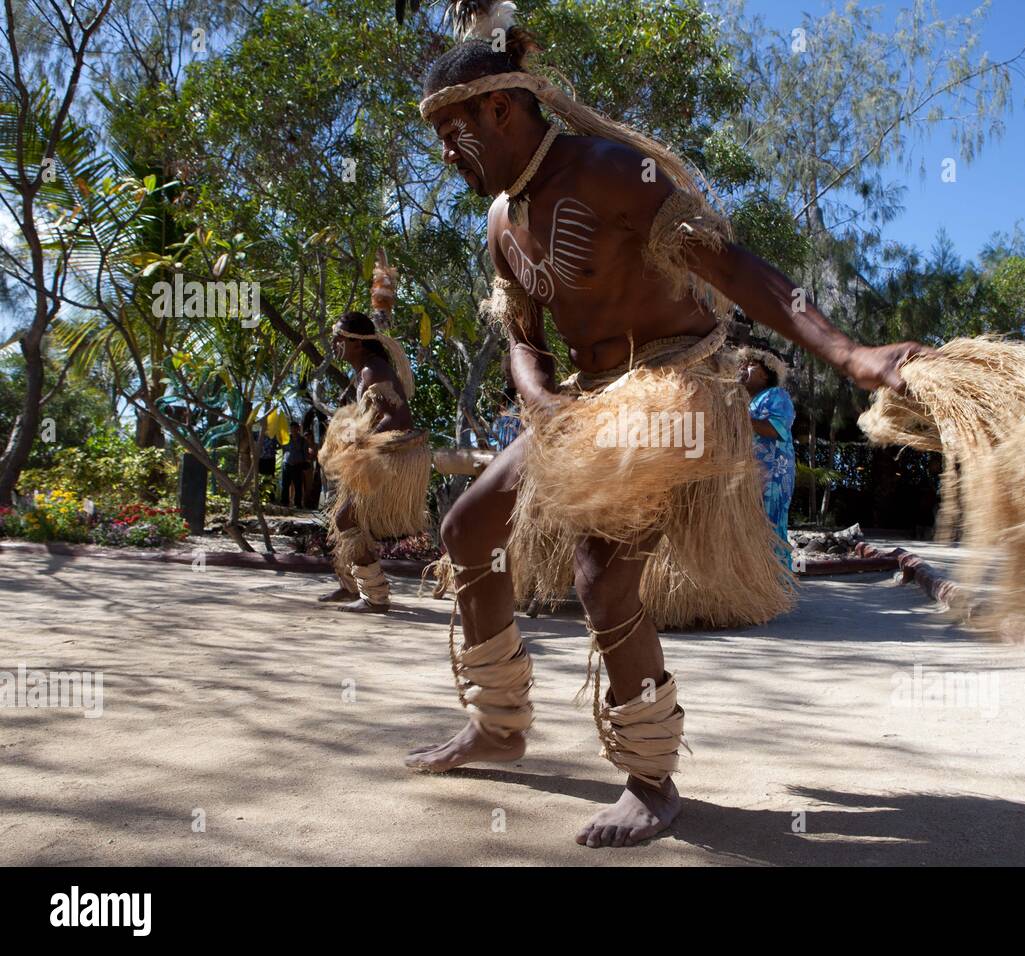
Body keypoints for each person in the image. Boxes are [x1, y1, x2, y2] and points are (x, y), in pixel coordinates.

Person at [406, 0, 928, 849]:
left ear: (500, 108)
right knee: (468, 530)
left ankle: (651, 779)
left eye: (454, 130)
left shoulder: (614, 172)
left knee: (599, 573)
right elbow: (522, 344)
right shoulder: (502, 223)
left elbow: (740, 270)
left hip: (673, 390)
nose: (445, 153)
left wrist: (854, 355)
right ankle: (500, 723)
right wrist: (542, 404)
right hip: (583, 402)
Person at [316, 311, 432, 611]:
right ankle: (351, 586)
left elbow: (399, 417)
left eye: (339, 339)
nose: (334, 344)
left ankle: (375, 597)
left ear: (357, 343)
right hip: (381, 455)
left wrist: (362, 440)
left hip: (393, 457)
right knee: (344, 519)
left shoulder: (373, 370)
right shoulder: (367, 370)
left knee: (346, 518)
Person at [740, 347, 796, 568]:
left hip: (772, 476)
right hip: (749, 476)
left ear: (766, 373)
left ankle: (776, 586)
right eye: (742, 364)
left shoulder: (776, 395)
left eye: (751, 365)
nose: (743, 368)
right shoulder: (745, 401)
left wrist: (737, 414)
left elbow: (774, 429)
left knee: (769, 528)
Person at [280, 421, 313, 508]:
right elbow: (283, 449)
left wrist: (306, 460)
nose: (293, 430)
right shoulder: (286, 438)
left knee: (298, 485)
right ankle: (284, 503)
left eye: (295, 428)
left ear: (298, 429)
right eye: (292, 428)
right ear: (290, 429)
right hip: (286, 464)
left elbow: (306, 454)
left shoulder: (303, 441)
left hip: (298, 465)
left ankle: (297, 504)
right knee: (285, 485)